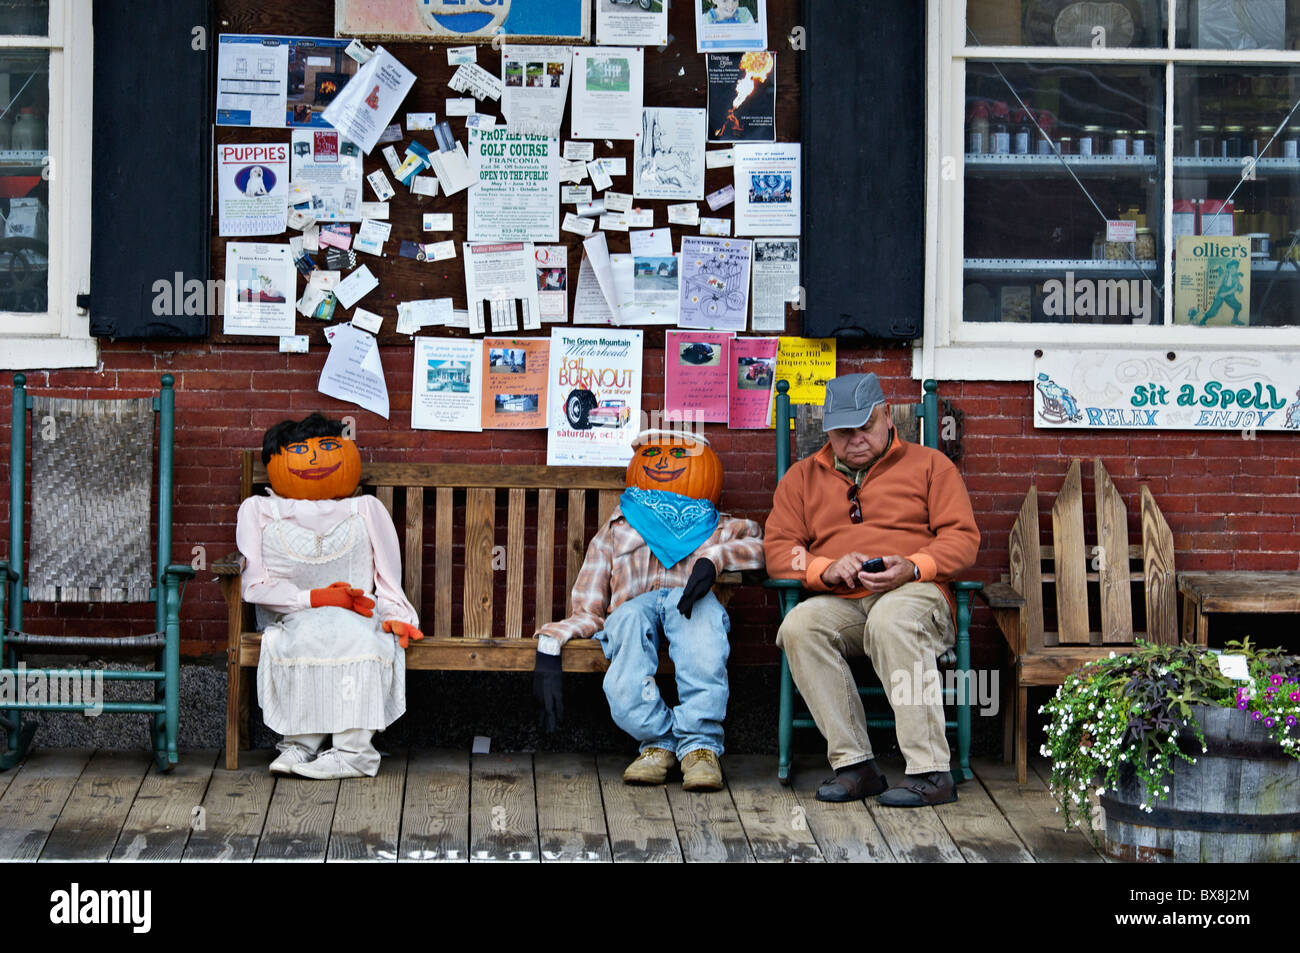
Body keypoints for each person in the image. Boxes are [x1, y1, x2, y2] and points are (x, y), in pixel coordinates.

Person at [764, 374, 979, 807]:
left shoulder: (931, 465)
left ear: (885, 414)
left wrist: (914, 565)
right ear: (827, 430)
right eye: (844, 431)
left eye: (865, 426)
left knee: (891, 619)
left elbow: (962, 540)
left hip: (917, 594)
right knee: (799, 626)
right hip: (842, 598)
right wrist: (824, 569)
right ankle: (856, 767)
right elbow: (780, 550)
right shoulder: (802, 479)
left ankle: (932, 772)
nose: (856, 439)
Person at [533, 431, 765, 791]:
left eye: (677, 454)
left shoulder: (715, 525)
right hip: (633, 608)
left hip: (686, 602)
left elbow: (763, 547)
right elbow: (590, 604)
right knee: (622, 623)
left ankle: (700, 747)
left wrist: (714, 560)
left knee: (701, 622)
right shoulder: (619, 526)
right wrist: (555, 638)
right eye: (653, 453)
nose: (662, 462)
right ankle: (658, 741)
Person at [237, 414, 423, 779]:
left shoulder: (364, 508)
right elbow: (253, 586)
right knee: (302, 636)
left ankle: (354, 752)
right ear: (277, 459)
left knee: (358, 636)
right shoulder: (258, 510)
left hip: (358, 612)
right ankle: (301, 743)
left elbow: (387, 577)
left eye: (326, 448)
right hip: (290, 614)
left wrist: (396, 613)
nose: (312, 460)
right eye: (299, 451)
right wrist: (316, 598)